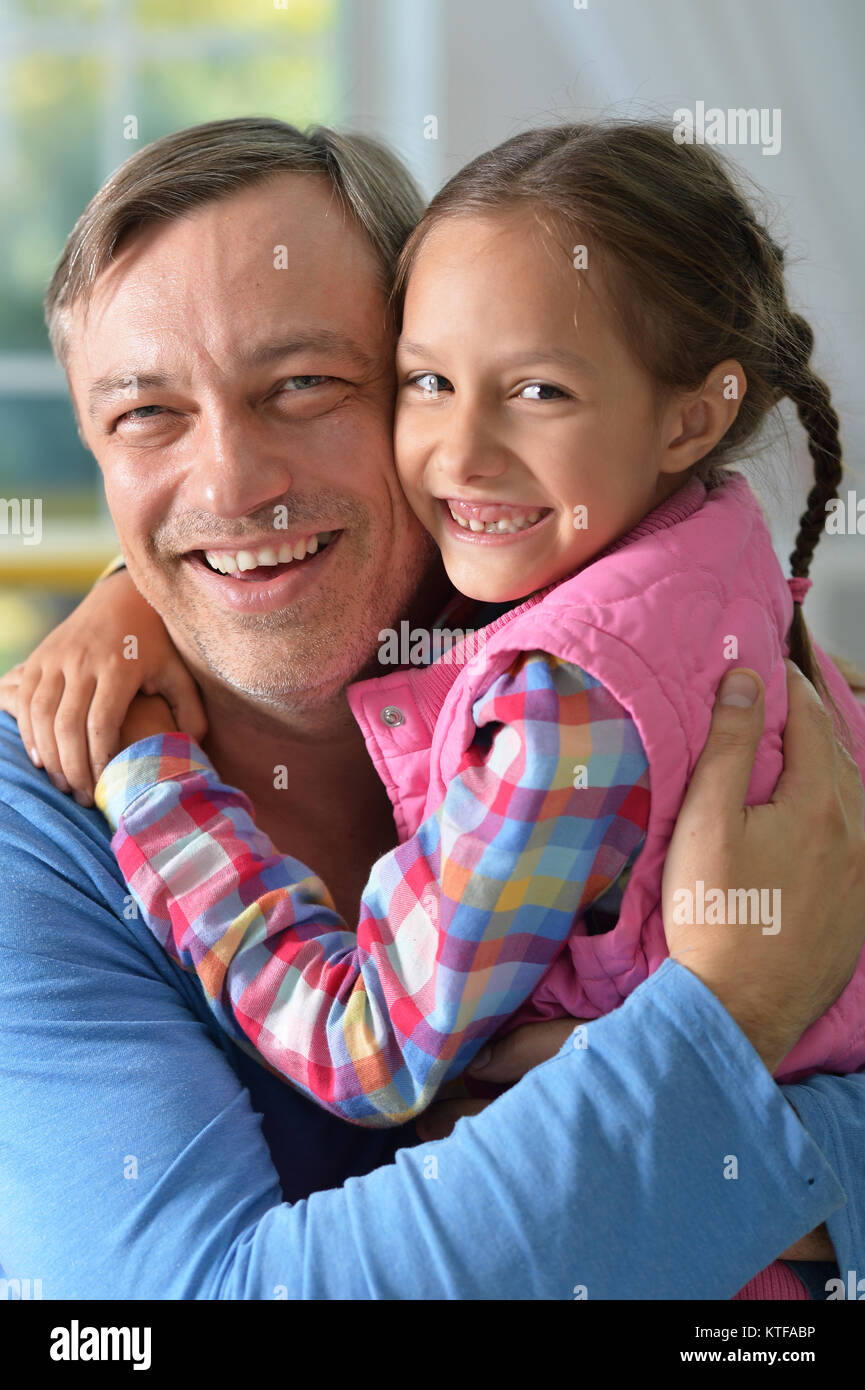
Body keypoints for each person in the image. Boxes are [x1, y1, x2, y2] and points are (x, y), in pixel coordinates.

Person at [0, 118, 863, 1299]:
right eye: (146, 415)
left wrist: (668, 1142)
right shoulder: (28, 837)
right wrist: (723, 1030)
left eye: (306, 384)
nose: (231, 484)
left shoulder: (679, 690)